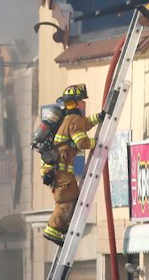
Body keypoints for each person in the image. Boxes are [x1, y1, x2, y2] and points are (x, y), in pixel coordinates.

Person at [41, 84, 105, 245]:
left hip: (59, 171)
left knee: (73, 199)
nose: (84, 103)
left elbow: (86, 123)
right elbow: (81, 141)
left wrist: (100, 117)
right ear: (75, 103)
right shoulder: (74, 120)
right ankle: (53, 230)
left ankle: (62, 227)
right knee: (65, 202)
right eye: (81, 101)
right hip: (61, 172)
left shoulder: (70, 119)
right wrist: (98, 143)